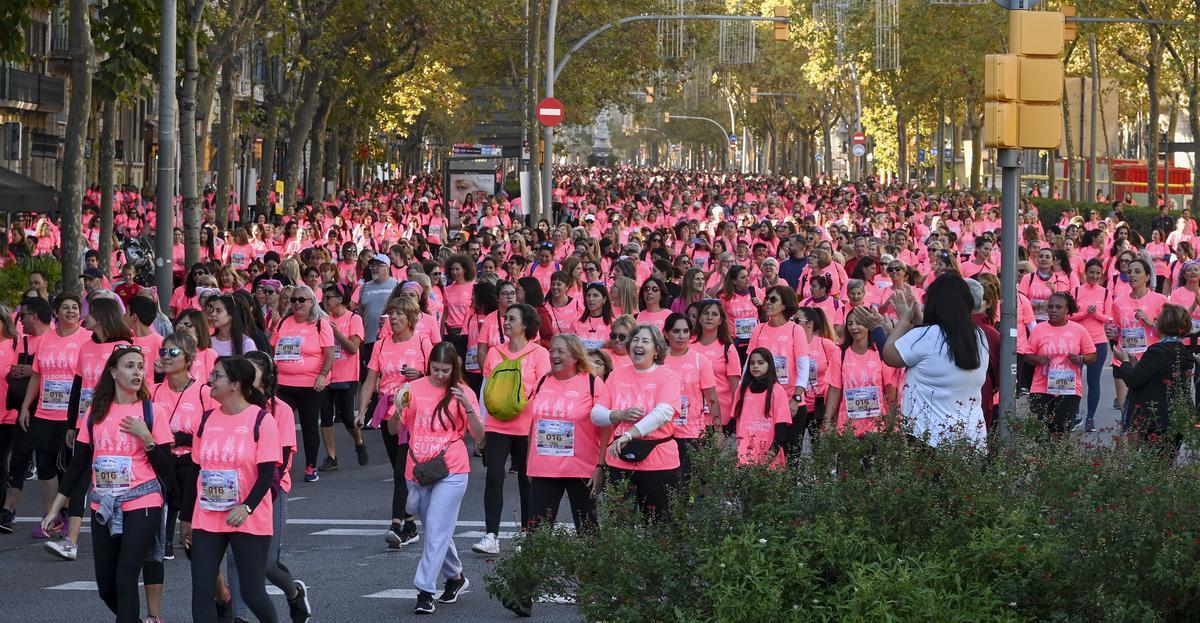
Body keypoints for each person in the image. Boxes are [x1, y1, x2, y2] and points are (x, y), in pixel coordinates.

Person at [41, 345, 173, 622]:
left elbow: (167, 468)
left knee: (126, 578)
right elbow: (78, 465)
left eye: (140, 366)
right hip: (104, 504)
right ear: (113, 372)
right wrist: (56, 508)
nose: (136, 371)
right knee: (106, 586)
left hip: (142, 501)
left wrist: (146, 437)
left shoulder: (152, 411)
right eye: (129, 366)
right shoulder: (95, 413)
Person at [180, 357, 282, 623]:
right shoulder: (205, 420)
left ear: (236, 384)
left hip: (247, 518)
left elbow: (266, 475)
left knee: (252, 593)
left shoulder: (262, 420)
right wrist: (186, 518)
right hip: (208, 516)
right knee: (202, 592)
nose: (210, 380)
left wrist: (246, 506)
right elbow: (195, 471)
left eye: (217, 375)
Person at [399, 342, 484, 615]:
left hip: (452, 468)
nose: (439, 375)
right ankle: (456, 576)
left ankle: (425, 590)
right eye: (435, 369)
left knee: (436, 527)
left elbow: (480, 437)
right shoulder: (413, 388)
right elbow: (392, 428)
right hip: (420, 469)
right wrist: (398, 405)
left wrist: (468, 406)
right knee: (437, 530)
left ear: (454, 368)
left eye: (445, 370)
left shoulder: (462, 391)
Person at [870, 273, 988, 447]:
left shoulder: (926, 336)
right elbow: (937, 342)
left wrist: (900, 321)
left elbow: (889, 355)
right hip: (972, 437)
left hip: (930, 439)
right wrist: (917, 321)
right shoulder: (979, 335)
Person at [473, 303, 551, 556]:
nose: (506, 322)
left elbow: (544, 392)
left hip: (527, 426)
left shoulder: (539, 354)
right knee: (494, 477)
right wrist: (482, 428)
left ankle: (528, 534)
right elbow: (486, 390)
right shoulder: (495, 353)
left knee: (527, 481)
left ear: (526, 325)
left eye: (512, 319)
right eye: (505, 319)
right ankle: (491, 535)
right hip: (497, 425)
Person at [242, 351, 312, 622]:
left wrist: (261, 493)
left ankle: (294, 593)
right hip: (239, 489)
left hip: (271, 490)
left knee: (268, 564)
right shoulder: (236, 407)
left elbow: (280, 463)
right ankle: (238, 615)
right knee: (237, 560)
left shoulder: (279, 409)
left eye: (252, 372)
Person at [359, 297, 431, 548]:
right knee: (400, 472)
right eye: (392, 314)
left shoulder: (422, 342)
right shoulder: (380, 345)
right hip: (387, 412)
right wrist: (361, 411)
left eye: (400, 314)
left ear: (411, 318)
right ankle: (411, 524)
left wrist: (421, 375)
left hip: (413, 413)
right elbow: (370, 380)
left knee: (402, 471)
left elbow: (438, 375)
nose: (395, 318)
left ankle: (397, 525)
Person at [19, 294, 92, 540]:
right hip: (44, 412)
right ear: (56, 313)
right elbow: (37, 375)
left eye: (75, 307)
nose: (71, 311)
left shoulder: (87, 338)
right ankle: (53, 516)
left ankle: (68, 513)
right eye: (65, 308)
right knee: (45, 465)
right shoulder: (47, 338)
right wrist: (25, 407)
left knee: (69, 468)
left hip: (73, 416)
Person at [592, 324, 681, 518]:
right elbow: (597, 414)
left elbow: (663, 413)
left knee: (660, 527)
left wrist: (628, 435)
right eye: (635, 340)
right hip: (619, 460)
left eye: (645, 341)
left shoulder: (668, 377)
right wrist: (618, 415)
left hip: (658, 463)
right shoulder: (616, 375)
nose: (638, 344)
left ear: (657, 349)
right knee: (619, 528)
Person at [525, 334, 607, 531]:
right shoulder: (543, 380)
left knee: (588, 531)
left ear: (576, 356)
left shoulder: (592, 383)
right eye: (552, 350)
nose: (554, 355)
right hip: (544, 467)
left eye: (560, 351)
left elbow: (606, 429)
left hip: (581, 468)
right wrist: (529, 460)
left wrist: (600, 466)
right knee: (537, 532)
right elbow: (534, 423)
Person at [271, 285, 334, 482]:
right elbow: (273, 346)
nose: (297, 303)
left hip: (311, 384)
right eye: (294, 300)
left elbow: (329, 354)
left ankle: (310, 466)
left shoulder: (320, 324)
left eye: (302, 300)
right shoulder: (283, 322)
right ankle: (280, 464)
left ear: (311, 302)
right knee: (278, 424)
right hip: (283, 383)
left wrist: (323, 375)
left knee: (309, 426)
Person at [1112, 303, 1194, 456]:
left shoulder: (1157, 351)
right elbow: (1156, 375)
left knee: (1149, 469)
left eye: (1157, 319)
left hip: (1154, 421)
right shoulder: (1182, 351)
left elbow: (1133, 380)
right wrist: (1135, 364)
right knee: (1162, 468)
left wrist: (1124, 362)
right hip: (1175, 419)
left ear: (1163, 325)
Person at [1020, 292, 1097, 437]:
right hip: (1042, 388)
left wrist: (1080, 359)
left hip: (1069, 389)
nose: (1054, 310)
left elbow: (1092, 356)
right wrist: (1039, 360)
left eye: (1058, 307)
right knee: (1042, 432)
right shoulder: (1038, 329)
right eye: (1051, 307)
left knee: (1061, 431)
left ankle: (1058, 458)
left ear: (1067, 310)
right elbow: (1027, 354)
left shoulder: (1078, 330)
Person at [747, 285, 811, 454]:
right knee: (764, 453)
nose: (767, 302)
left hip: (791, 402)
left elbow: (803, 367)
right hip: (763, 401)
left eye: (773, 299)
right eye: (767, 298)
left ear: (784, 306)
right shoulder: (758, 329)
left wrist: (796, 398)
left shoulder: (796, 330)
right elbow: (748, 365)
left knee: (789, 455)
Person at [662, 313, 719, 482]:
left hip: (691, 432)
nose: (681, 336)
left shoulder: (699, 361)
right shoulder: (658, 359)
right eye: (676, 331)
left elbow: (712, 398)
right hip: (663, 431)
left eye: (685, 331)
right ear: (666, 333)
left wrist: (718, 431)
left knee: (686, 483)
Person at [320, 282, 368, 470]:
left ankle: (359, 442)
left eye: (329, 297)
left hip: (347, 374)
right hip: (326, 373)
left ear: (340, 299)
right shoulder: (323, 318)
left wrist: (336, 332)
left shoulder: (353, 319)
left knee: (348, 417)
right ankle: (331, 457)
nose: (325, 300)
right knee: (325, 415)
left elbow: (353, 348)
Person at [725, 347, 791, 468]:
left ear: (769, 365)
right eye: (752, 363)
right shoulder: (742, 389)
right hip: (745, 452)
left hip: (768, 452)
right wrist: (719, 437)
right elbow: (734, 420)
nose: (755, 366)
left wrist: (773, 450)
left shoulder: (777, 390)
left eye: (760, 363)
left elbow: (781, 425)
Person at [1071, 259, 1113, 432]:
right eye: (1091, 272)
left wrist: (1095, 314)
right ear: (1085, 273)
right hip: (1077, 341)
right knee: (1074, 380)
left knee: (1093, 382)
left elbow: (1109, 318)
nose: (1094, 276)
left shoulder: (1105, 292)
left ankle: (1090, 418)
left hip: (1098, 342)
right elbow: (1069, 316)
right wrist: (1083, 313)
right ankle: (1074, 415)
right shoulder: (1076, 290)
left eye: (1098, 273)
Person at [796, 306, 838, 447]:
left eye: (796, 320)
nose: (792, 323)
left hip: (820, 406)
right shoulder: (790, 344)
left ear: (810, 324)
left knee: (820, 452)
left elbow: (837, 376)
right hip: (797, 406)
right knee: (792, 451)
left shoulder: (826, 345)